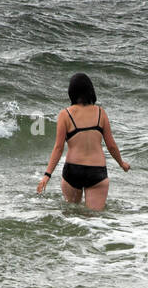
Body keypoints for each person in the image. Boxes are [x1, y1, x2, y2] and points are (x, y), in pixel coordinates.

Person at [37, 73, 129, 211]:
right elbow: (111, 145)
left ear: (71, 92)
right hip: (96, 172)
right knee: (94, 220)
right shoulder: (101, 113)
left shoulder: (65, 115)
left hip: (73, 171)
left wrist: (47, 175)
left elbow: (58, 148)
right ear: (90, 90)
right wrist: (121, 164)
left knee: (72, 218)